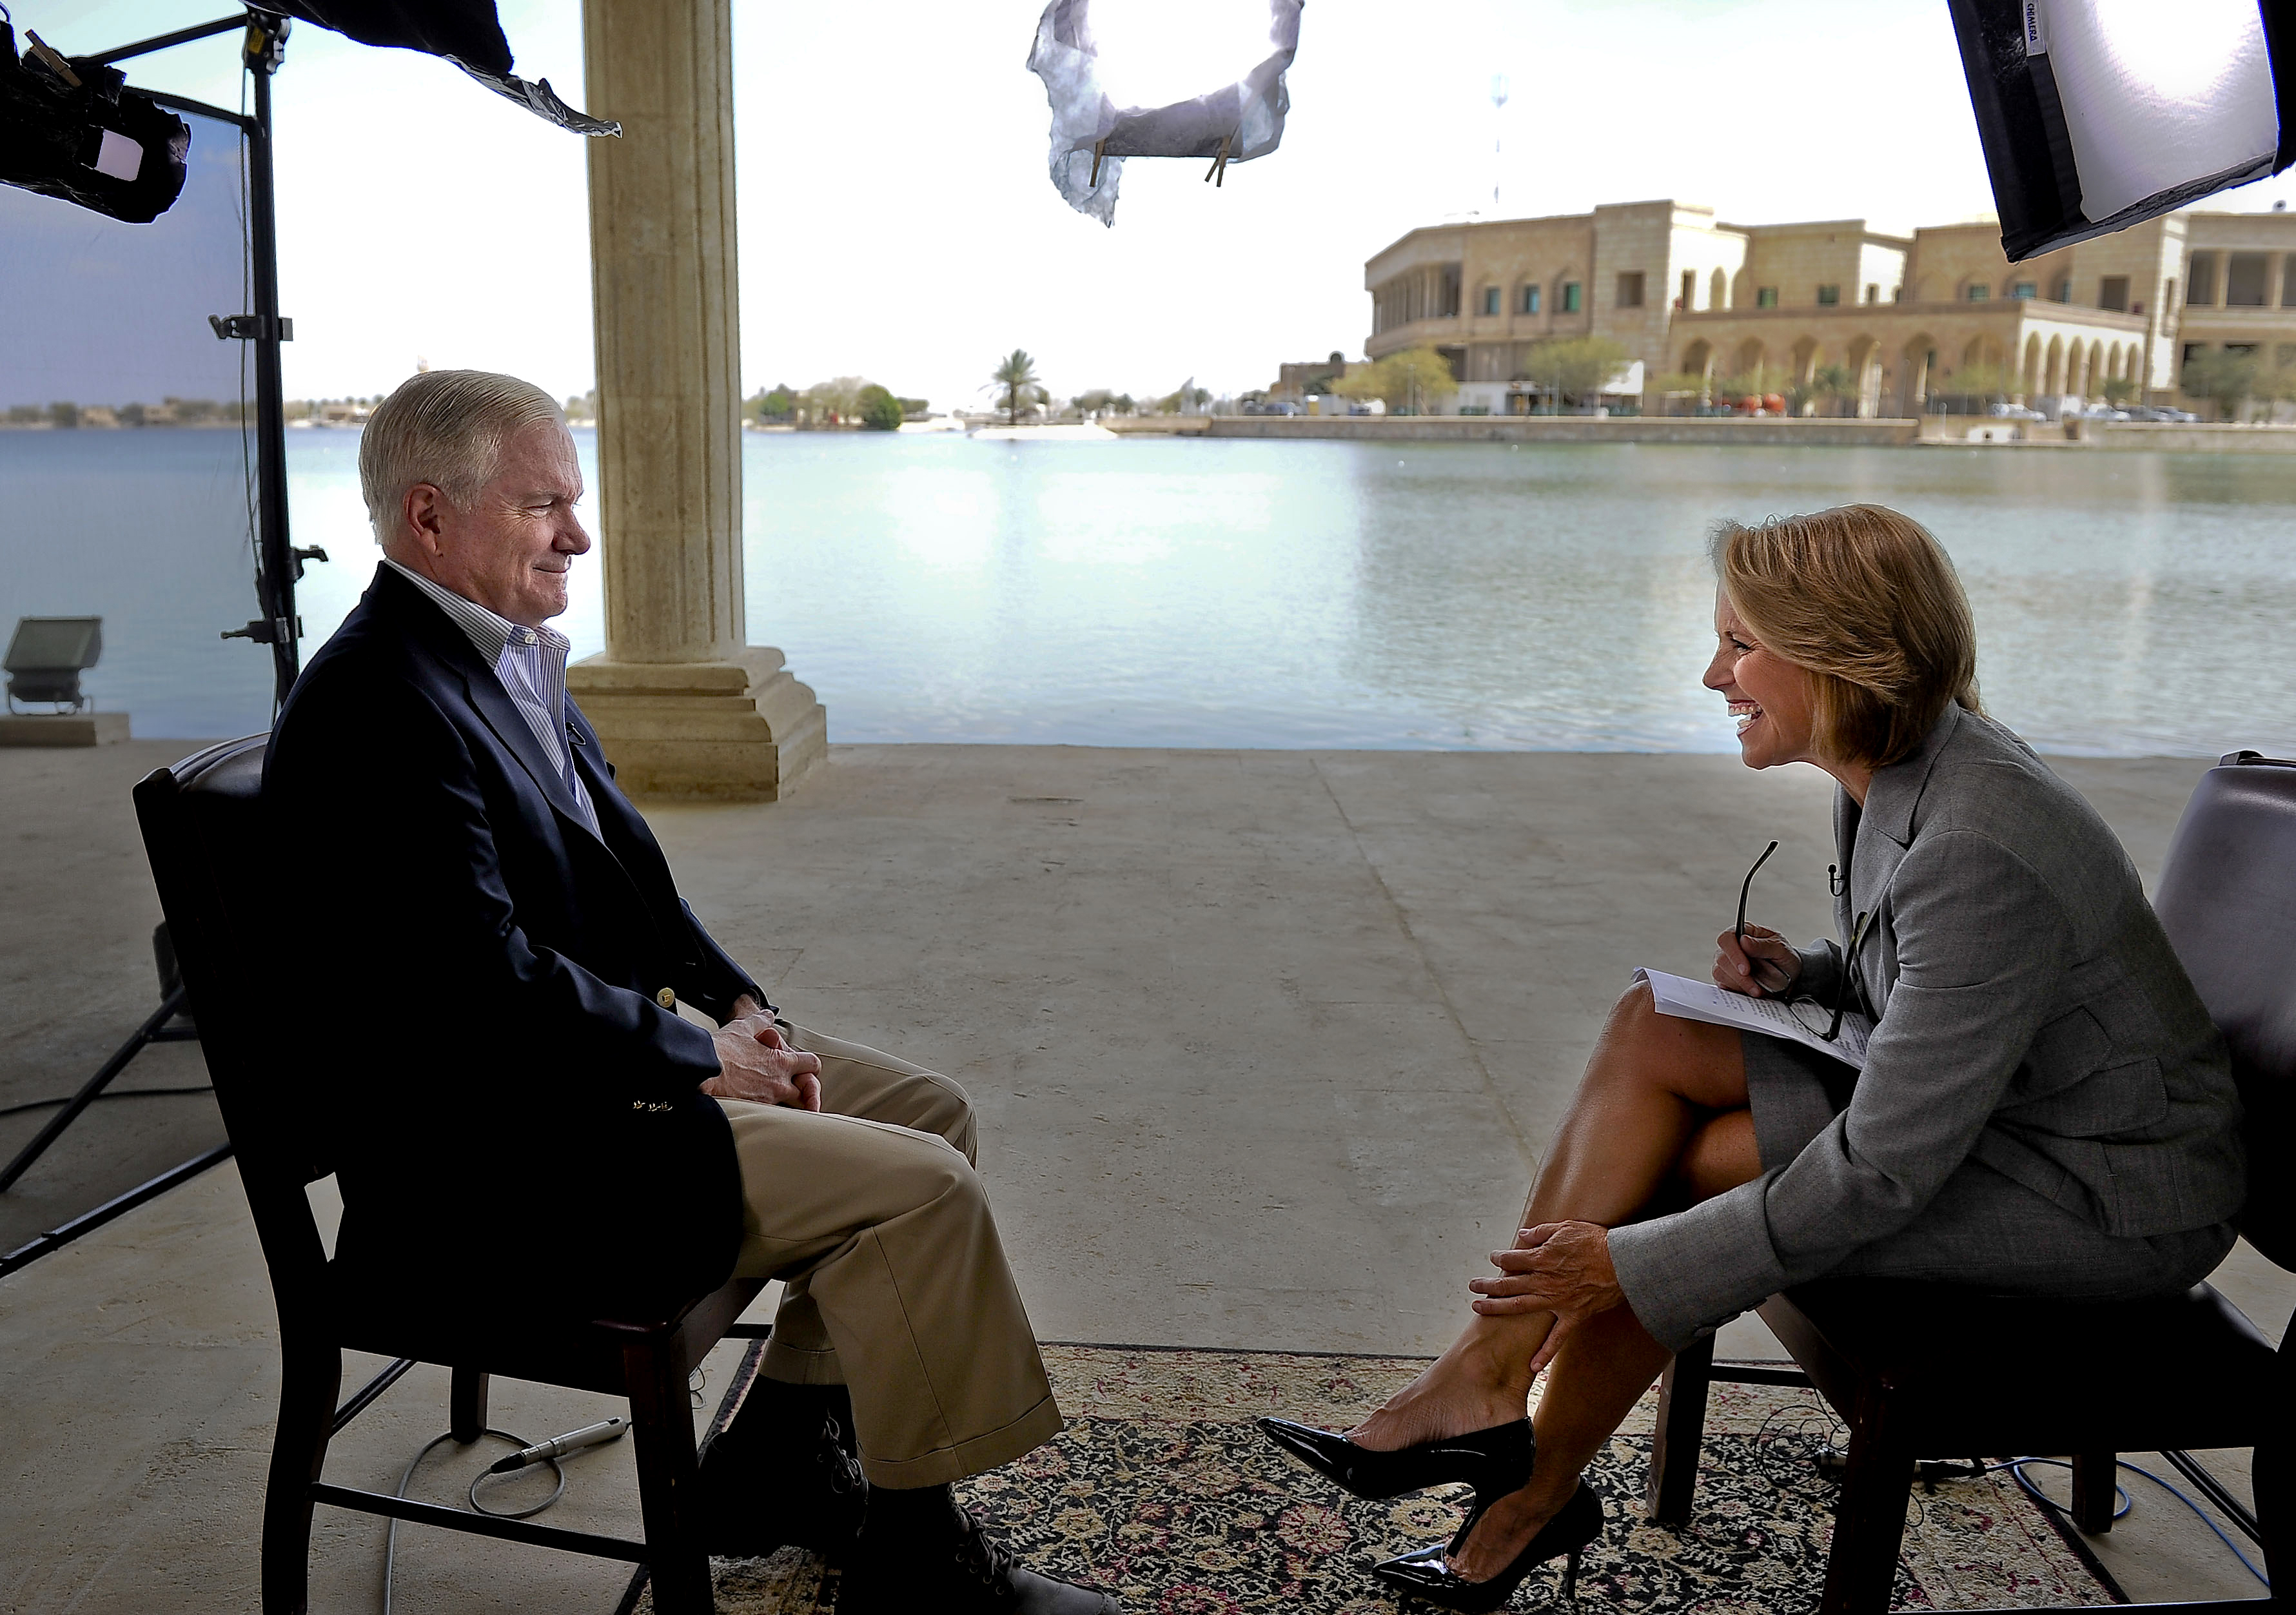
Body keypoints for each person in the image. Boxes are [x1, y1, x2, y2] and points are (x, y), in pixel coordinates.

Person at [1257, 502, 2246, 1611]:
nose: (1710, 674)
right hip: (2008, 1115)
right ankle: (1488, 1385)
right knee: (1657, 1019)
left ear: (1841, 657)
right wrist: (1812, 973)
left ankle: (1523, 1487)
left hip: (2104, 1197)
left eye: (1739, 644)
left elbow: (1884, 1169)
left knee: (1694, 1170)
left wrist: (1627, 1264)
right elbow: (1949, 982)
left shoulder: (1979, 838)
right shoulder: (1904, 766)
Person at [264, 370, 1117, 1615]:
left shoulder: (501, 657)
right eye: (543, 505)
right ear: (429, 517)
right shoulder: (375, 702)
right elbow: (478, 984)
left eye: (575, 500)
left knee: (926, 1109)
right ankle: (920, 1572)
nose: (579, 535)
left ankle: (780, 1456)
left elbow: (635, 894)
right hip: (496, 1162)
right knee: (922, 1189)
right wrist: (701, 1059)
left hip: (577, 1084)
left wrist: (739, 1009)